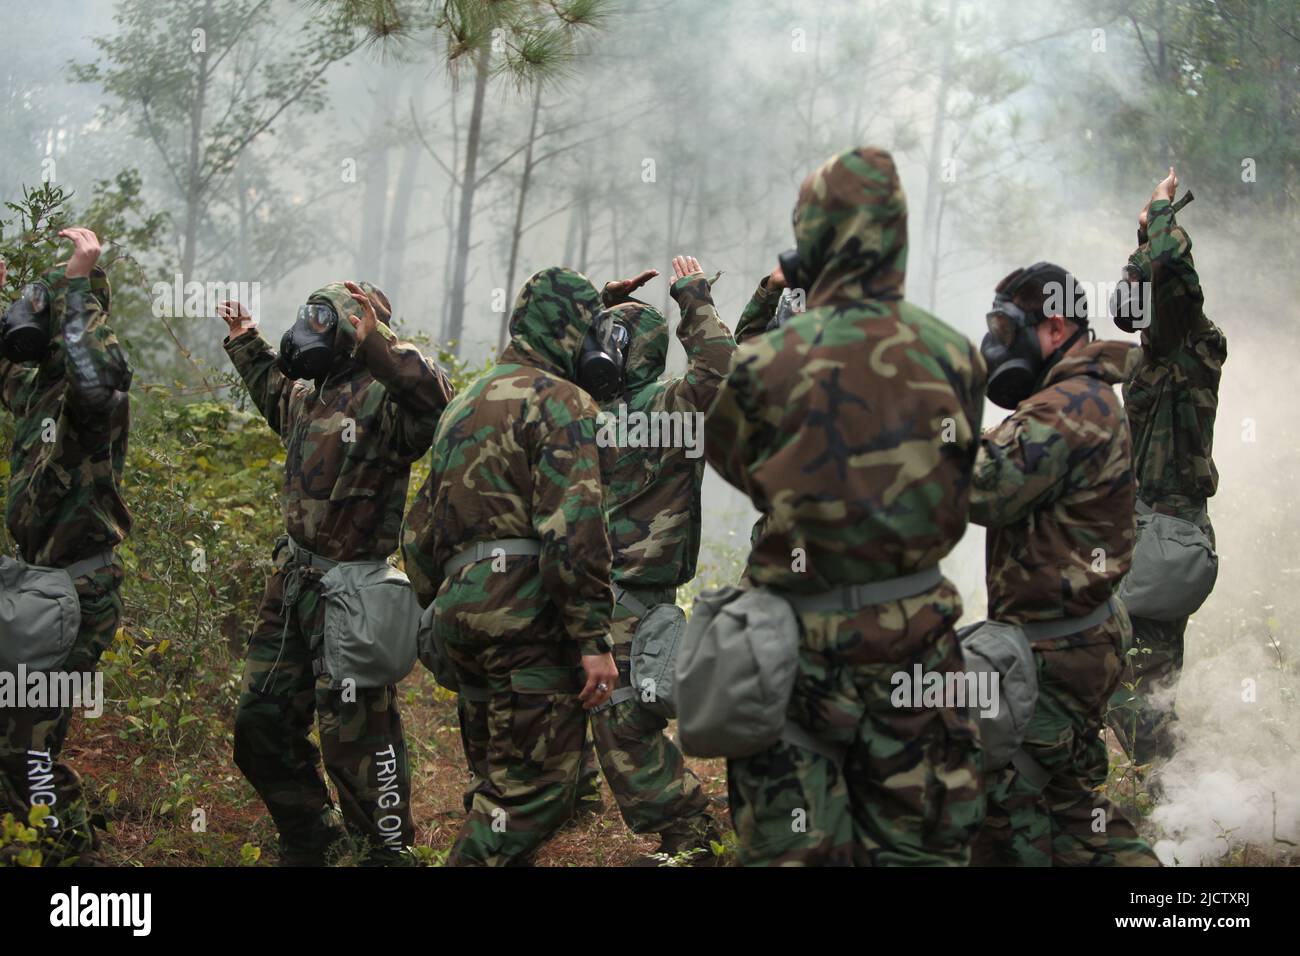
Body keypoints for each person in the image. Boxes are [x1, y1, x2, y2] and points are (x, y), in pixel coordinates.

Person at [704, 147, 987, 865]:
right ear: (896, 235)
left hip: (795, 649)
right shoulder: (953, 352)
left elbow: (736, 461)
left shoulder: (767, 362)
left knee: (795, 848)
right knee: (919, 847)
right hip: (917, 642)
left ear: (813, 237)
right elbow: (963, 462)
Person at [218, 281, 453, 865]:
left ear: (359, 327)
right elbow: (274, 391)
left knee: (358, 733)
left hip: (352, 593)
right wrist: (246, 340)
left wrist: (381, 341)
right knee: (260, 721)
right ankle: (310, 834)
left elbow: (431, 398)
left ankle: (386, 849)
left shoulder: (388, 400)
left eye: (330, 317)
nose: (312, 326)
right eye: (311, 314)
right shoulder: (310, 394)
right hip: (293, 582)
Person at [402, 266, 618, 867]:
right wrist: (593, 638)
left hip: (462, 619)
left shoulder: (467, 399)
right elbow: (573, 530)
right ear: (571, 330)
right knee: (534, 792)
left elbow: (418, 530)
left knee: (493, 785)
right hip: (524, 627)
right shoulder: (563, 400)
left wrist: (445, 604)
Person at [968, 261, 1160, 866]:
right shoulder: (1069, 397)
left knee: (999, 802)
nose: (995, 344)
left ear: (1054, 327)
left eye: (1005, 327)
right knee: (1069, 809)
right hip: (1071, 636)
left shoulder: (1069, 405)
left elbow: (982, 488)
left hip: (1058, 649)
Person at [580, 255, 734, 865]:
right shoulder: (658, 409)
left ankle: (692, 836)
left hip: (618, 599)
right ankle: (682, 830)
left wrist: (602, 309)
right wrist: (692, 296)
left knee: (621, 720)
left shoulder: (606, 410)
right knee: (614, 716)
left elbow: (724, 362)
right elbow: (720, 363)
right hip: (608, 596)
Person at [0, 230, 132, 864]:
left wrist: (75, 284)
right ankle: (50, 842)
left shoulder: (94, 401)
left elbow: (96, 373)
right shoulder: (36, 386)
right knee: (22, 742)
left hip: (77, 590)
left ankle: (76, 864)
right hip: (37, 587)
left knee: (23, 750)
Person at [1104, 167, 1226, 767]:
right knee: (1145, 693)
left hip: (1164, 539)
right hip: (1155, 533)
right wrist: (1141, 239)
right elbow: (1153, 280)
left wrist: (1159, 211)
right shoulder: (1159, 350)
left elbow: (1173, 272)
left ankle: (1167, 808)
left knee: (1124, 691)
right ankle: (1176, 805)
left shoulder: (1187, 340)